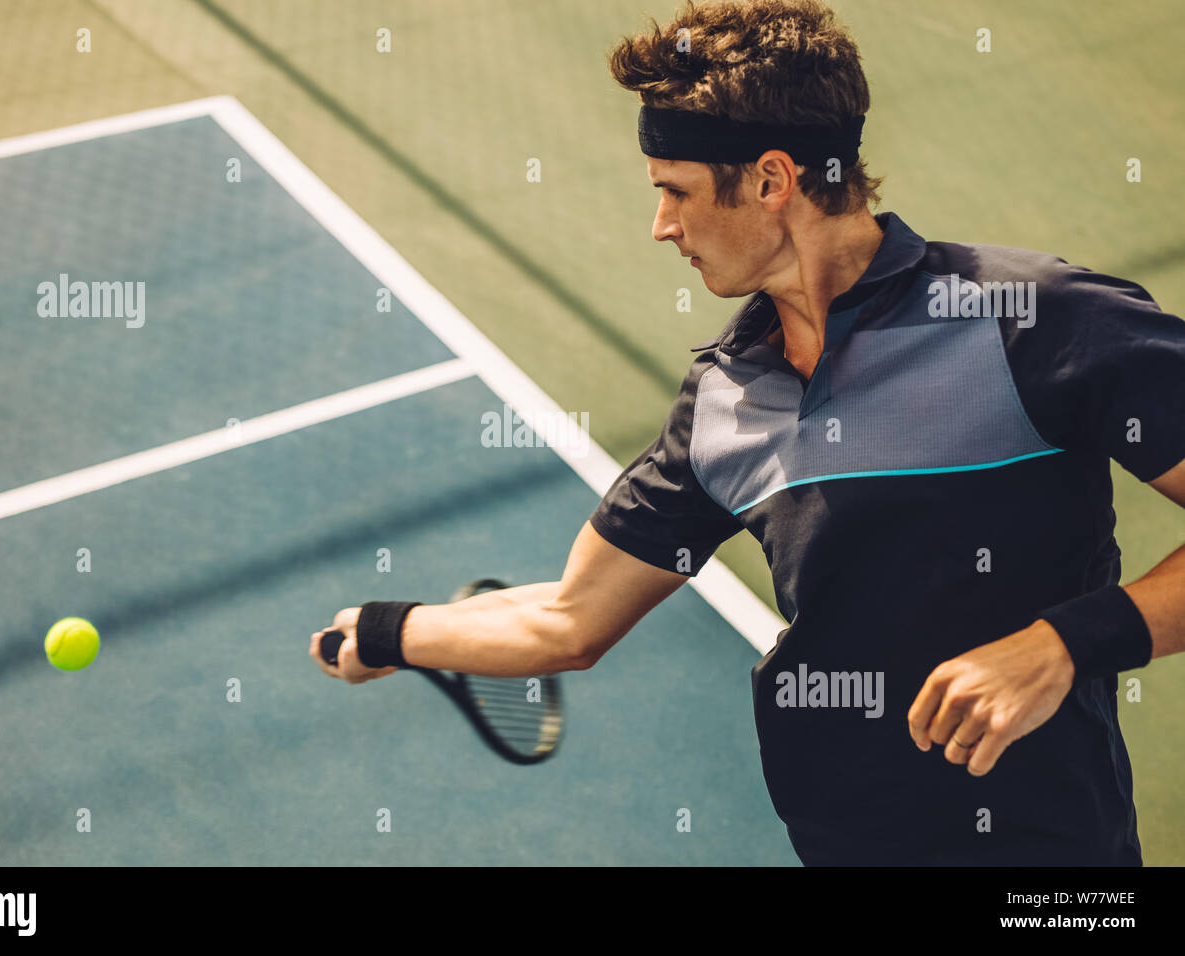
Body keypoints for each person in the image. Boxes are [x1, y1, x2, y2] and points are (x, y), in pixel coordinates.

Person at [312, 0, 1185, 865]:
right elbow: (568, 618)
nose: (662, 226)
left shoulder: (1027, 322)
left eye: (676, 191)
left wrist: (1067, 642)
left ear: (773, 180)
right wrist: (391, 631)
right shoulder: (724, 400)